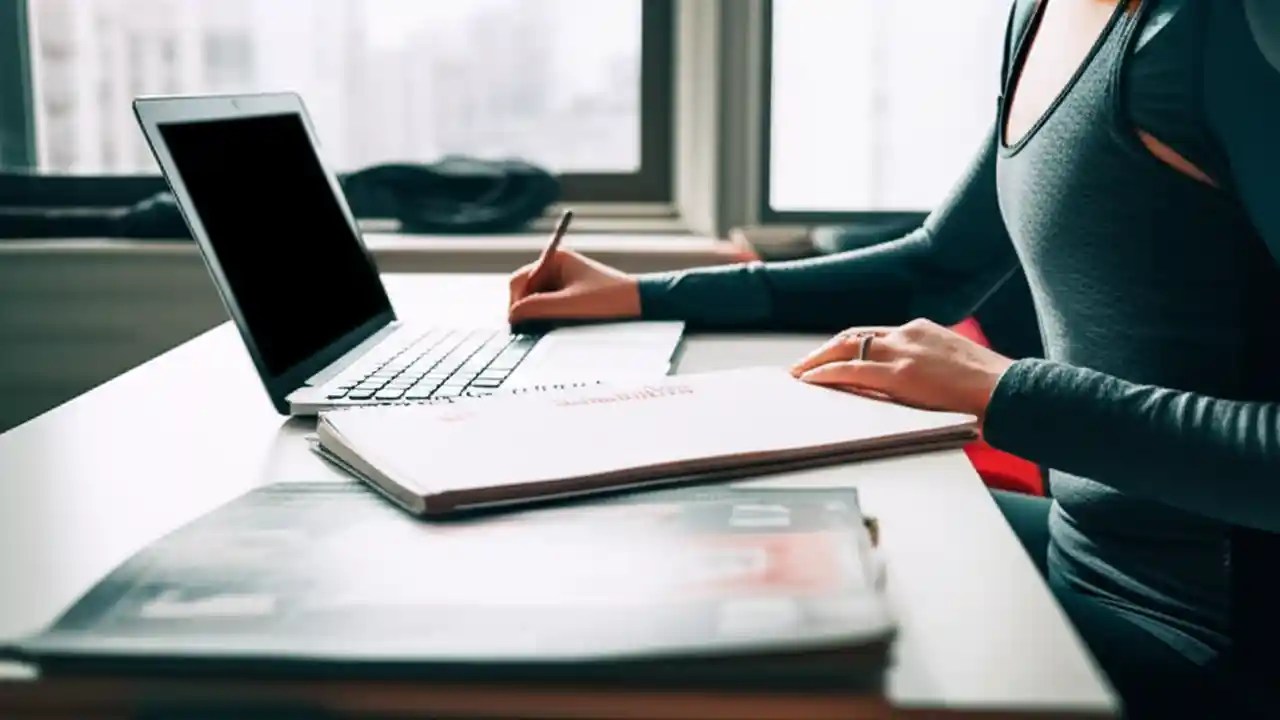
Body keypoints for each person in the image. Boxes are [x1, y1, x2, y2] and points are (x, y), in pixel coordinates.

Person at [509, 0, 1280, 715]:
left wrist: (1007, 391)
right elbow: (935, 267)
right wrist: (646, 296)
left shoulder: (1234, 31)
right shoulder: (1044, 14)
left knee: (721, 663)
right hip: (1084, 548)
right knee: (687, 537)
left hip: (1207, 631)